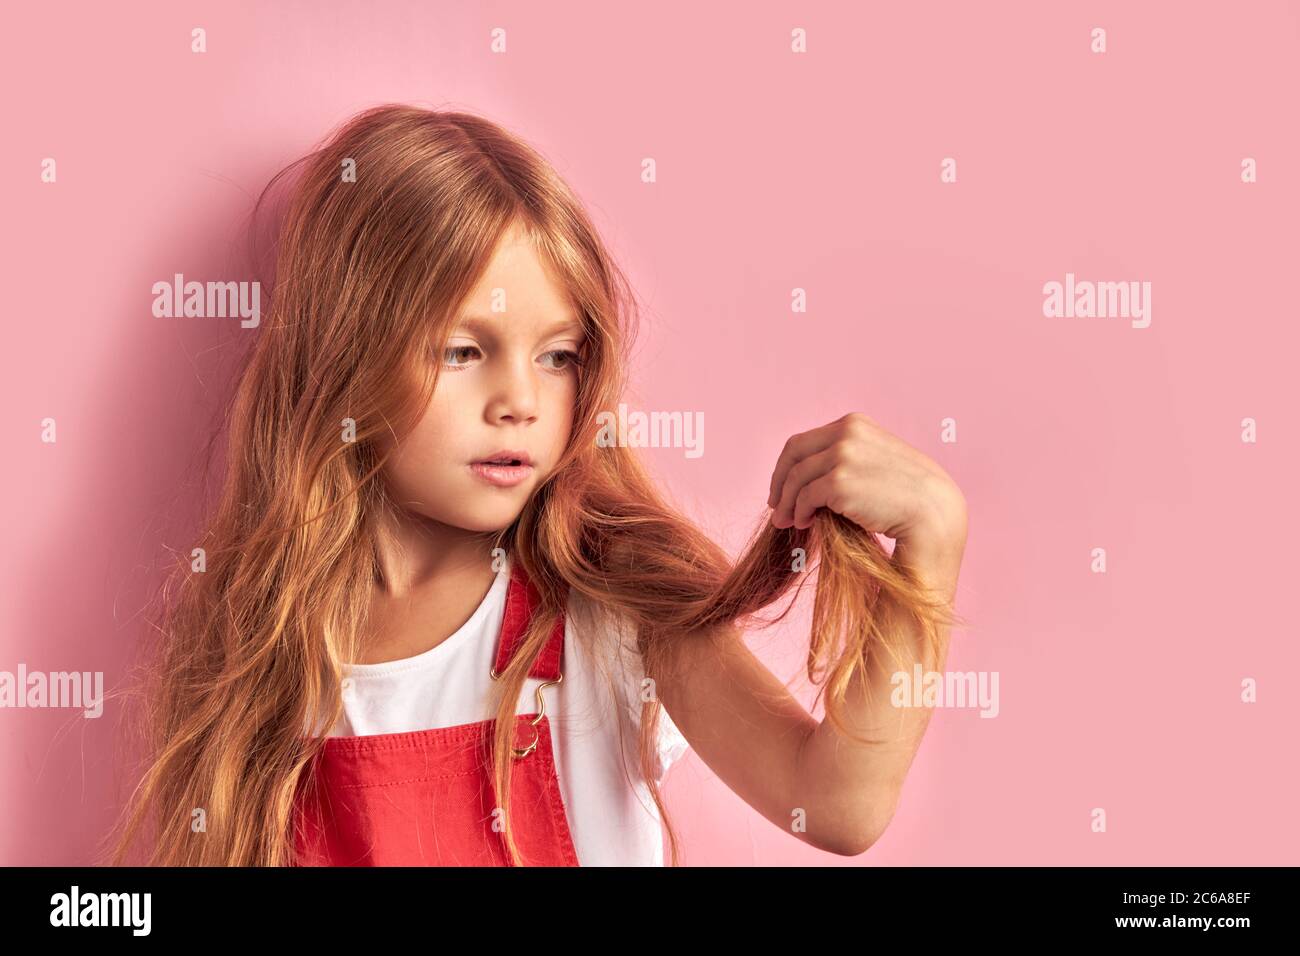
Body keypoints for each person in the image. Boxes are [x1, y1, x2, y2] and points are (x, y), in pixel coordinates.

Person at [107, 104, 969, 867]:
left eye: (558, 356)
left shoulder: (609, 603)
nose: (520, 401)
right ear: (345, 356)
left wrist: (933, 536)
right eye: (463, 350)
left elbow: (840, 806)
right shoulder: (269, 640)